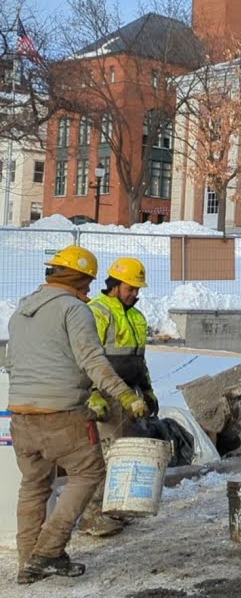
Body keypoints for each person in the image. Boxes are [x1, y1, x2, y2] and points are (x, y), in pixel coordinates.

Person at [6, 246, 149, 584]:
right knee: (88, 472)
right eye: (86, 283)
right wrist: (126, 395)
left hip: (21, 414)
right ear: (77, 278)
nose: (88, 289)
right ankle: (49, 551)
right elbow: (92, 361)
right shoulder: (74, 310)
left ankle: (29, 562)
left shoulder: (21, 310)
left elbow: (12, 362)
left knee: (34, 483)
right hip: (62, 413)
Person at [80, 256, 158, 538]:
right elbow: (86, 359)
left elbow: (139, 360)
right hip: (104, 397)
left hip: (129, 398)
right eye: (130, 288)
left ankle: (111, 509)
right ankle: (91, 517)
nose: (135, 293)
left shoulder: (136, 317)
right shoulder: (97, 312)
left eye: (137, 289)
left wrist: (147, 391)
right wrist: (92, 395)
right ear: (114, 285)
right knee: (101, 457)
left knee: (119, 457)